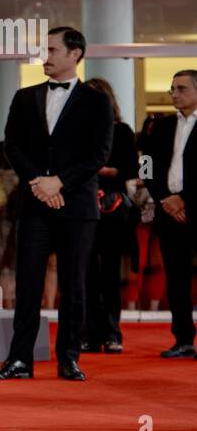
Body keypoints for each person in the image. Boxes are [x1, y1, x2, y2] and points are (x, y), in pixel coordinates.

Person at [0, 27, 113, 381]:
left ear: (75, 54)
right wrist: (38, 181)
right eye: (45, 50)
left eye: (54, 50)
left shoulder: (96, 100)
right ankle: (19, 359)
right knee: (28, 283)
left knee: (74, 286)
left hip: (77, 207)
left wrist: (60, 181)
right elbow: (13, 145)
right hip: (36, 204)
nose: (47, 56)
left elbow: (99, 153)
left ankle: (69, 358)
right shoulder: (25, 97)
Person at [141, 70, 197, 359]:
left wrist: (184, 200)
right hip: (168, 213)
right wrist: (165, 198)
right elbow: (146, 166)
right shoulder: (161, 127)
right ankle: (183, 340)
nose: (174, 94)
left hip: (189, 208)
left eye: (181, 89)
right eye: (172, 88)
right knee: (176, 279)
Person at [81, 77, 137, 353]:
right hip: (81, 208)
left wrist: (106, 171)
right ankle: (90, 333)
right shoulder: (75, 130)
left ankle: (112, 332)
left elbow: (130, 168)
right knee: (86, 274)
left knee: (110, 274)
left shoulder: (122, 131)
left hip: (112, 210)